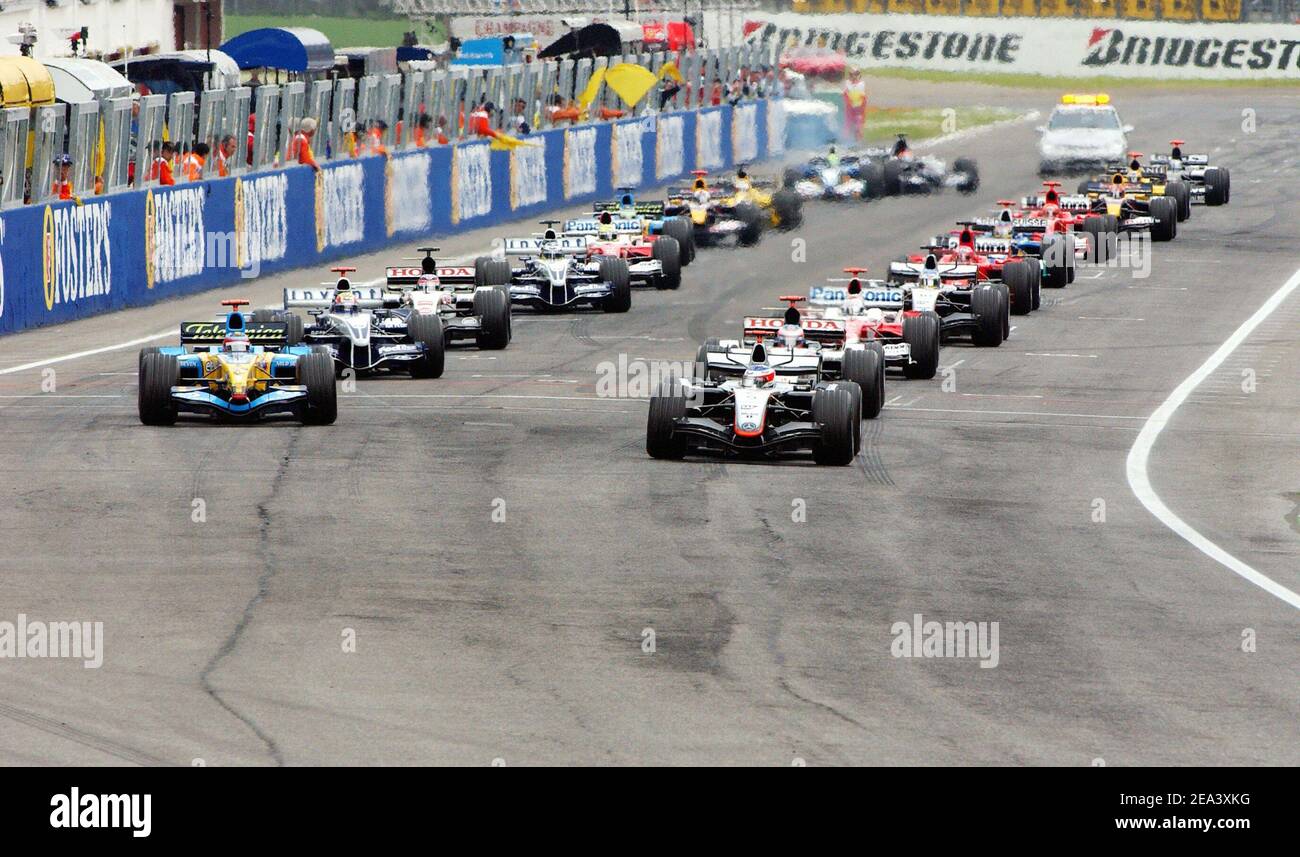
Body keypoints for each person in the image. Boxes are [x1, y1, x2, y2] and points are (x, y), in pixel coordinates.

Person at [842, 67, 868, 141]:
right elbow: (845, 94)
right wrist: (848, 102)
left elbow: (864, 97)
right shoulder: (847, 83)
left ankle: (858, 140)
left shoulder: (861, 84)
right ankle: (847, 141)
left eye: (856, 74)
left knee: (858, 126)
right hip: (849, 108)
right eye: (852, 74)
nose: (854, 76)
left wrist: (862, 107)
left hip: (858, 108)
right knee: (848, 125)